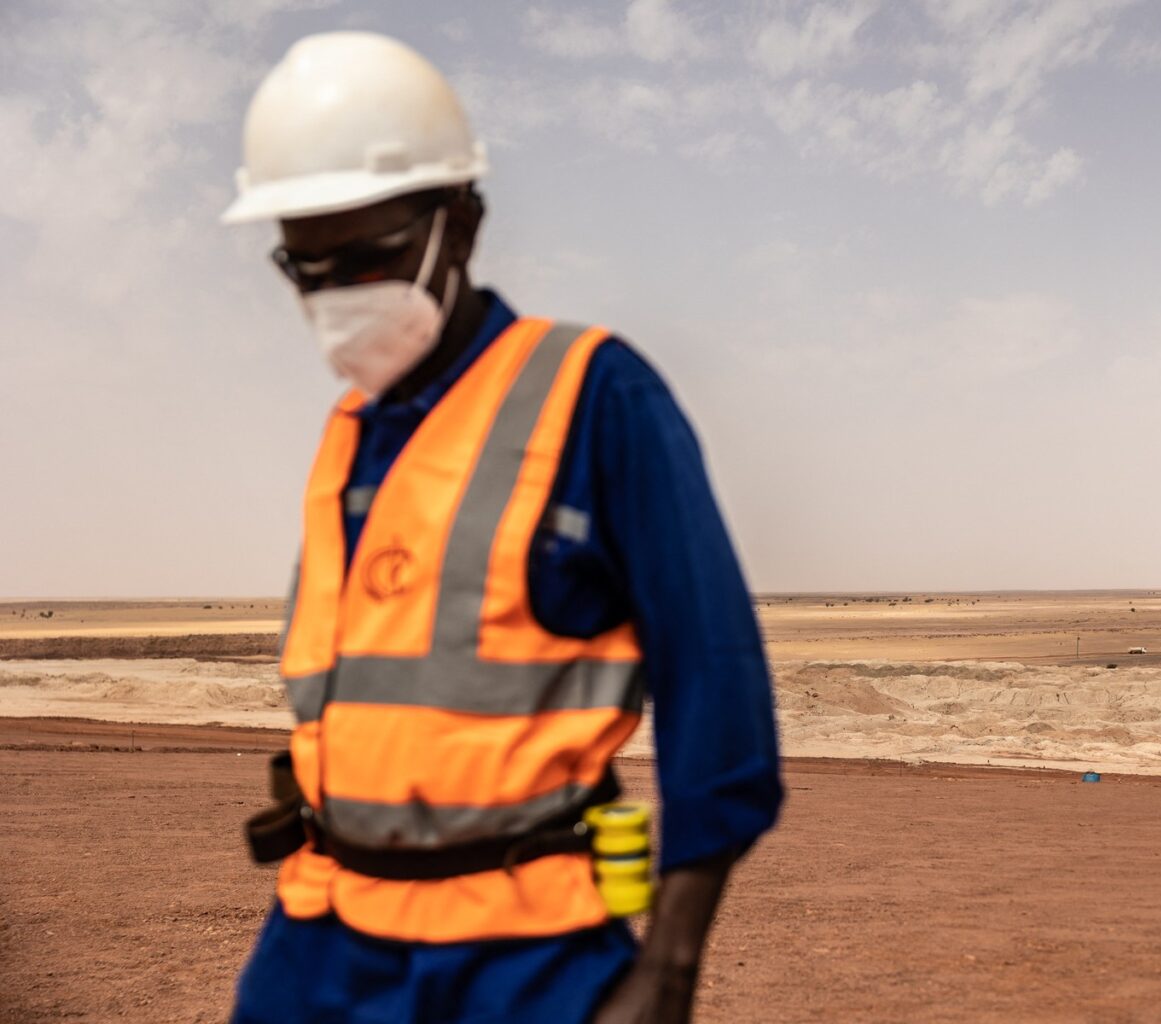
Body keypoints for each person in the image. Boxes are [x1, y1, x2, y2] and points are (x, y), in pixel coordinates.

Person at [221, 31, 782, 1024]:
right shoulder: (350, 430)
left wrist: (669, 972)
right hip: (320, 944)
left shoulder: (593, 395)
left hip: (522, 958)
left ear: (463, 224)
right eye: (307, 269)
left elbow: (715, 674)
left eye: (374, 256)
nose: (340, 297)